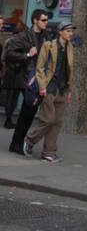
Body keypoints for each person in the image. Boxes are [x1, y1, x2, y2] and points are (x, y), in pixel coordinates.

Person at [23, 23, 76, 163]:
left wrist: (69, 90)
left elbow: (69, 71)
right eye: (68, 31)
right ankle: (29, 141)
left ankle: (48, 152)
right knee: (47, 120)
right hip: (49, 87)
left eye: (71, 31)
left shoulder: (70, 47)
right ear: (60, 32)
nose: (71, 34)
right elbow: (39, 68)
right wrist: (42, 86)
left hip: (63, 89)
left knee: (57, 122)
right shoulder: (48, 45)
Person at [6, 11, 50, 152]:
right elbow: (9, 53)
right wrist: (27, 55)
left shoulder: (45, 37)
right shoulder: (23, 36)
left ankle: (17, 143)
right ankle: (16, 143)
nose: (46, 22)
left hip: (37, 79)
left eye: (47, 20)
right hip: (25, 78)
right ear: (35, 21)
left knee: (30, 112)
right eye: (43, 20)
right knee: (27, 110)